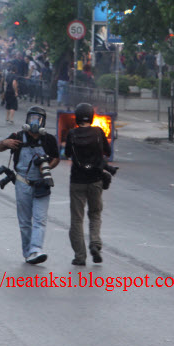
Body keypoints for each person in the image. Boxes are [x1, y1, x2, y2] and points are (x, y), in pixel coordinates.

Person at [0, 106, 60, 264]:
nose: (35, 122)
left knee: (40, 219)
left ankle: (36, 249)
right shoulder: (17, 136)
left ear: (43, 121)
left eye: (38, 119)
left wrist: (47, 166)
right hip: (22, 183)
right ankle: (28, 253)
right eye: (32, 118)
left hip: (41, 183)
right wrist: (5, 142)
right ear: (27, 119)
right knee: (25, 221)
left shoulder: (48, 139)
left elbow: (56, 158)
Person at [65, 103, 112, 267]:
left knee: (77, 219)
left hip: (77, 181)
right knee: (95, 214)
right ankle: (95, 243)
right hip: (95, 180)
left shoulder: (72, 134)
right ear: (91, 117)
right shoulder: (98, 132)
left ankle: (80, 256)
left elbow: (67, 154)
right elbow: (108, 152)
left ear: (77, 117)